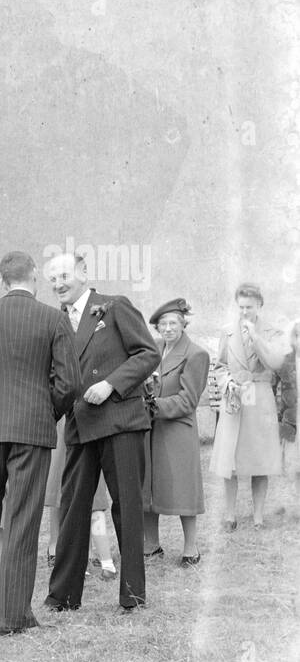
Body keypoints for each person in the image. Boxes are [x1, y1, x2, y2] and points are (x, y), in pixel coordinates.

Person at [0, 252, 79, 634]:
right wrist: (49, 411)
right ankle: (14, 616)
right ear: (34, 277)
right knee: (23, 521)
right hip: (31, 429)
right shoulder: (54, 318)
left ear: (2, 279)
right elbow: (69, 383)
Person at [43, 253, 159, 613]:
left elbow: (147, 354)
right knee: (73, 507)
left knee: (126, 507)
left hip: (120, 421)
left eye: (64, 275)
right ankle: (62, 596)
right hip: (80, 426)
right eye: (52, 279)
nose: (59, 283)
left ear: (83, 273)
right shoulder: (56, 322)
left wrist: (111, 384)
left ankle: (133, 595)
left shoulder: (113, 307)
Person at [208, 282, 287, 530]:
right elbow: (220, 366)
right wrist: (228, 383)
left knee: (260, 461)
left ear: (260, 305)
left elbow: (275, 362)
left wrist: (255, 336)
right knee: (230, 460)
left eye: (249, 307)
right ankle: (230, 515)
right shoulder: (227, 331)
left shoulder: (273, 332)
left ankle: (258, 517)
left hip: (260, 398)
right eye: (241, 307)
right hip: (234, 399)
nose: (244, 312)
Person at [142, 297, 209, 565]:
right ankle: (151, 544)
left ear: (183, 325)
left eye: (173, 323)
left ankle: (190, 548)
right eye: (163, 324)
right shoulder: (153, 349)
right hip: (151, 428)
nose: (168, 329)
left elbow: (188, 400)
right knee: (147, 485)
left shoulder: (196, 354)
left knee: (183, 490)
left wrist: (151, 406)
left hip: (177, 431)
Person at [45, 423, 119, 579]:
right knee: (76, 501)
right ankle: (101, 562)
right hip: (76, 433)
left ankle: (99, 561)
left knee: (83, 502)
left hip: (83, 433)